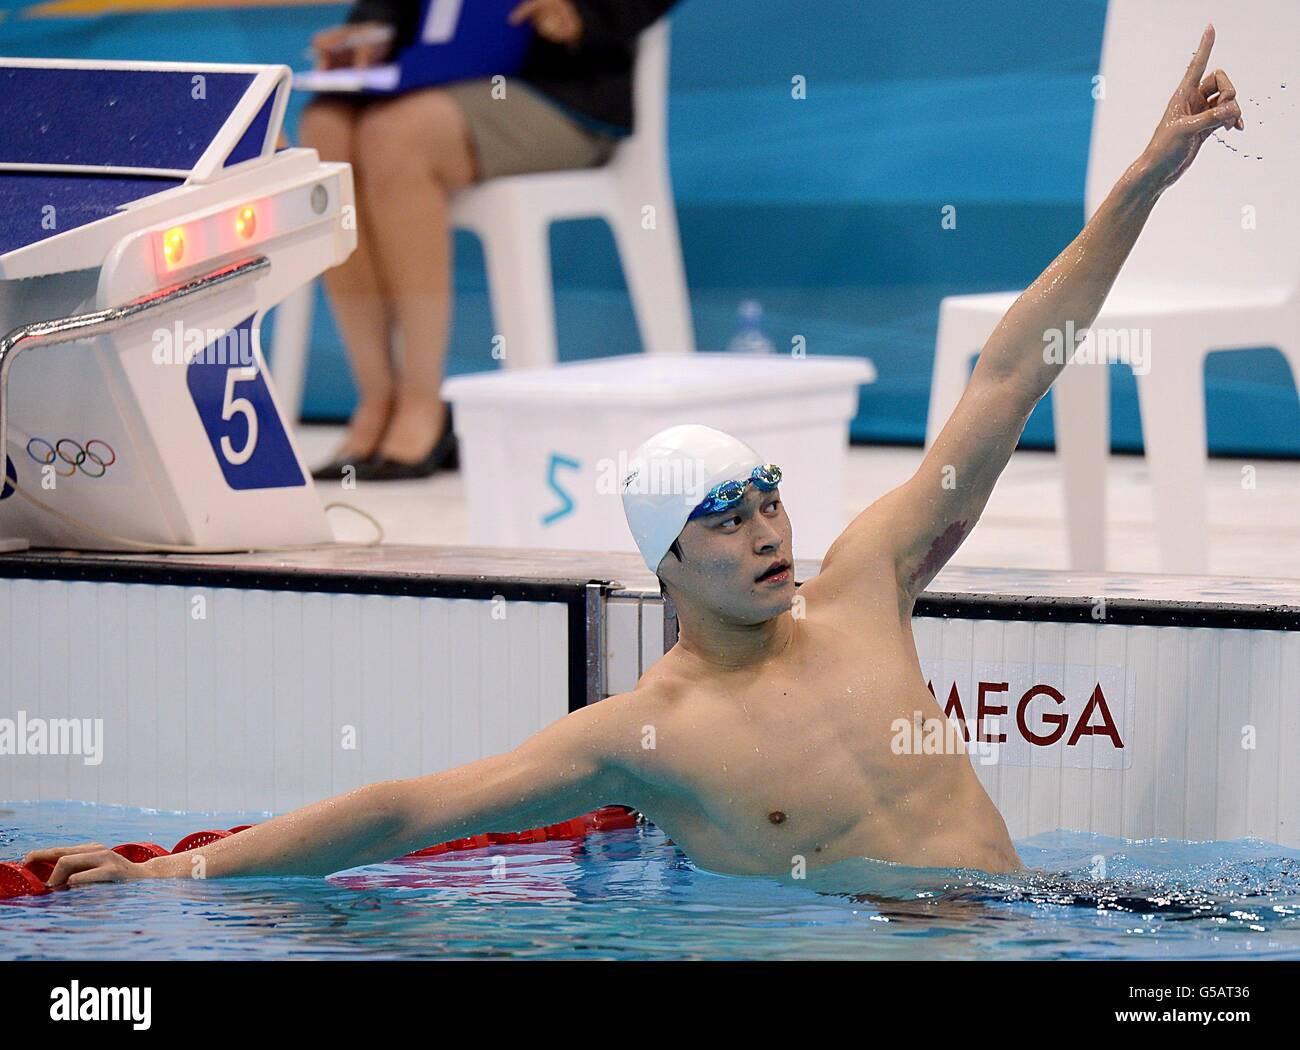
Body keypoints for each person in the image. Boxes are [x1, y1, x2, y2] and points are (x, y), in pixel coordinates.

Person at [28, 26, 1242, 886]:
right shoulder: (638, 737)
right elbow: (406, 812)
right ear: (665, 560)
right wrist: (179, 878)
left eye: (768, 499)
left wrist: (1144, 178)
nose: (769, 532)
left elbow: (1007, 375)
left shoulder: (865, 586)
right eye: (726, 516)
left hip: (1040, 927)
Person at [304, 0, 678, 481]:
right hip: (424, 74)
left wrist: (584, 13)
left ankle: (424, 403)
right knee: (325, 129)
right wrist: (366, 30)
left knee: (398, 136)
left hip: (554, 86)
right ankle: (376, 395)